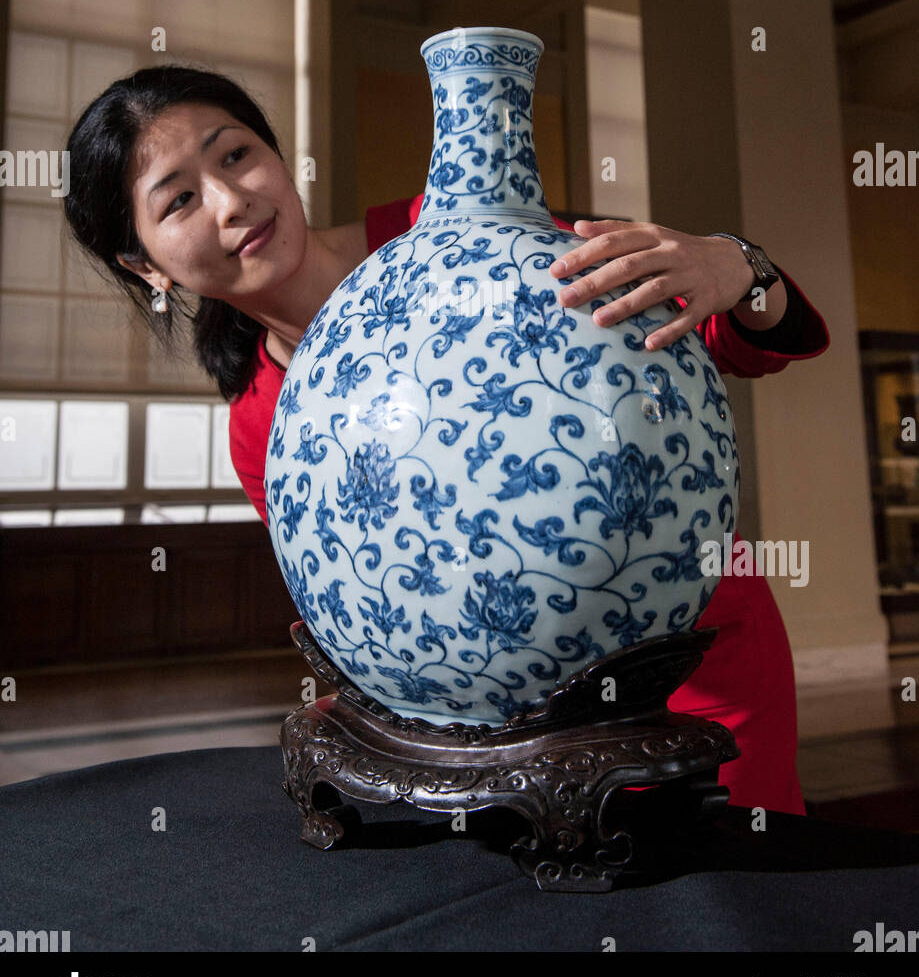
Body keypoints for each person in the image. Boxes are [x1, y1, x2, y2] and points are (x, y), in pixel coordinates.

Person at [64, 64, 830, 816]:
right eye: (181, 200)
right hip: (489, 740)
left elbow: (730, 344)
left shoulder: (466, 226)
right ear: (144, 264)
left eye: (237, 155)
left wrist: (740, 265)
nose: (233, 201)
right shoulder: (260, 419)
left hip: (683, 668)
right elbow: (358, 608)